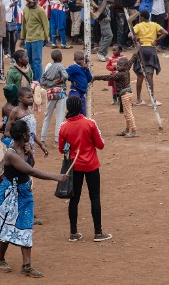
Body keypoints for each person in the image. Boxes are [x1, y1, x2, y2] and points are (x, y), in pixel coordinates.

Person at [0, 119, 67, 277]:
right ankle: (0, 259)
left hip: (23, 191)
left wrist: (30, 152)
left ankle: (26, 265)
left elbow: (30, 164)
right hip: (10, 194)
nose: (30, 135)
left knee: (25, 225)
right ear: (23, 135)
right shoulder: (11, 153)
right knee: (6, 226)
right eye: (28, 133)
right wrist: (55, 177)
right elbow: (31, 171)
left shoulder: (23, 148)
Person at [58, 95, 112, 243]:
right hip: (91, 164)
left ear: (68, 108)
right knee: (94, 197)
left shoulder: (63, 126)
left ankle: (73, 232)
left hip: (75, 166)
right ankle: (98, 232)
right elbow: (100, 145)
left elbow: (62, 149)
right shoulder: (90, 123)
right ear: (81, 106)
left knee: (74, 199)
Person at [93, 57, 136, 137]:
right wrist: (137, 50)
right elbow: (132, 59)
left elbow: (108, 77)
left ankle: (133, 131)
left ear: (125, 66)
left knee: (128, 114)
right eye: (118, 64)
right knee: (127, 114)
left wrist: (96, 77)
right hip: (127, 94)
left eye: (120, 65)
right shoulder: (127, 68)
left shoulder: (120, 74)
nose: (118, 66)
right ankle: (127, 130)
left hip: (125, 95)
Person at [132, 10, 167, 106]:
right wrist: (156, 41)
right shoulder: (154, 25)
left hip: (141, 50)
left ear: (142, 18)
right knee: (150, 76)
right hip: (151, 50)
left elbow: (130, 34)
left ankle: (139, 99)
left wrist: (137, 40)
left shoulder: (138, 26)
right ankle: (152, 99)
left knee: (140, 76)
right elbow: (165, 32)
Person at [39, 48, 69, 146]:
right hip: (60, 93)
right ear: (61, 58)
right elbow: (65, 76)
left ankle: (42, 139)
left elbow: (42, 81)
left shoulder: (49, 67)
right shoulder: (60, 66)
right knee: (60, 117)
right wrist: (58, 81)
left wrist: (51, 83)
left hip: (51, 93)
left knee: (47, 116)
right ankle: (57, 141)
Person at [18, 0, 49, 81]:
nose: (32, 1)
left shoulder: (40, 11)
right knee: (29, 61)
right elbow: (24, 24)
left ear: (37, 0)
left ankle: (38, 80)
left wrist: (46, 38)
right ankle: (32, 79)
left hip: (38, 38)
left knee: (37, 62)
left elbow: (46, 25)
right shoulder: (25, 9)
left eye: (34, 0)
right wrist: (22, 38)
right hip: (28, 39)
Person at [66, 51, 93, 115]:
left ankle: (82, 123)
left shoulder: (83, 68)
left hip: (82, 93)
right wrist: (71, 79)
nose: (81, 61)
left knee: (83, 111)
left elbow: (90, 78)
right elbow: (64, 73)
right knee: (74, 109)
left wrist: (87, 70)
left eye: (82, 59)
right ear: (75, 59)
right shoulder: (74, 67)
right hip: (75, 91)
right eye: (79, 59)